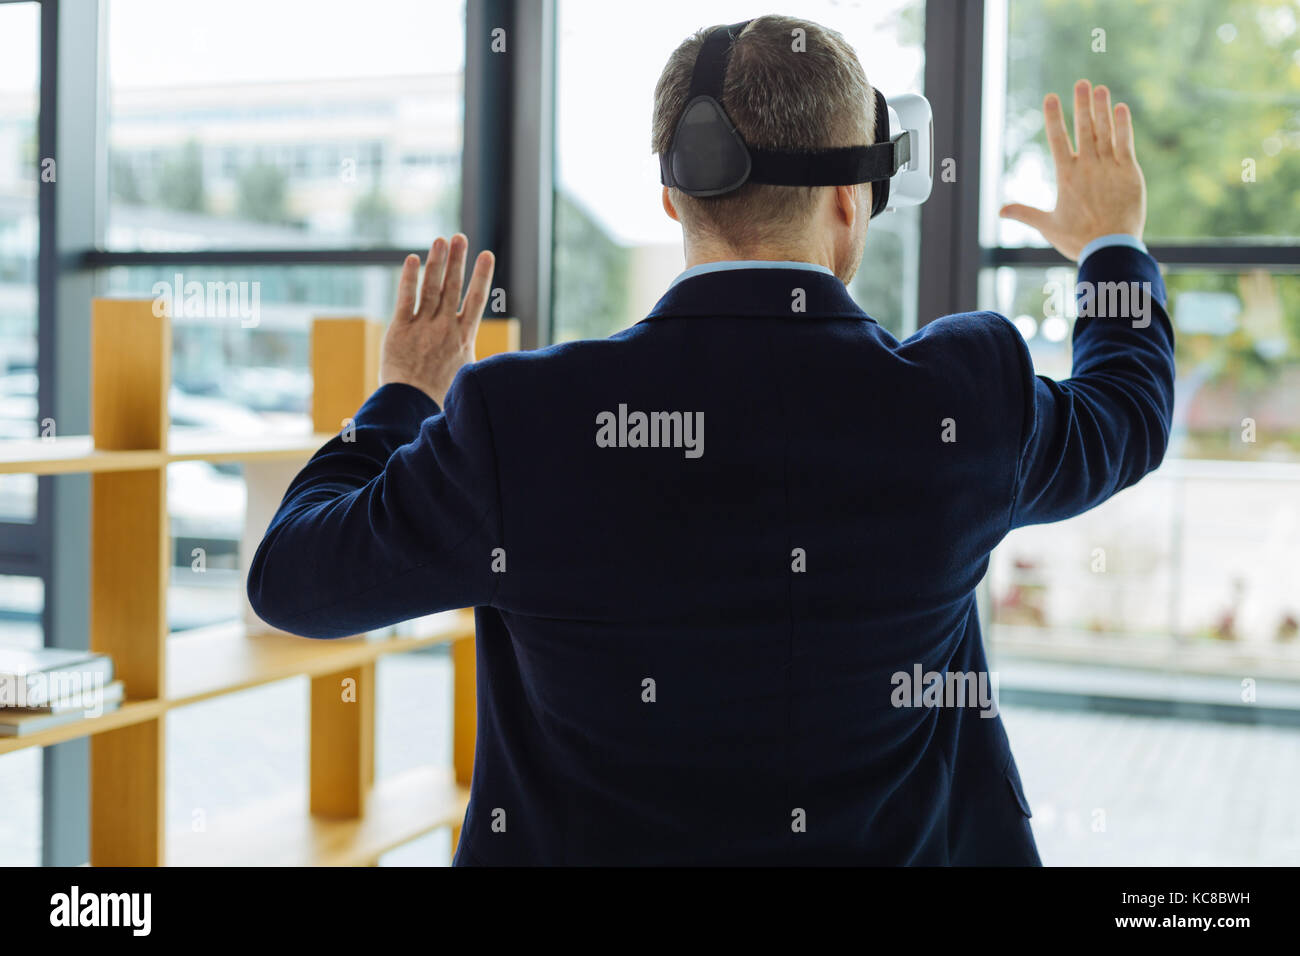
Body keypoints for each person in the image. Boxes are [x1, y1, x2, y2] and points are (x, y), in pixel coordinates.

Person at [248, 15, 1173, 865]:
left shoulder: (518, 420)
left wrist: (405, 392)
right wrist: (1111, 246)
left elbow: (293, 580)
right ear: (852, 200)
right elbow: (1128, 413)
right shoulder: (965, 398)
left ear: (672, 200)